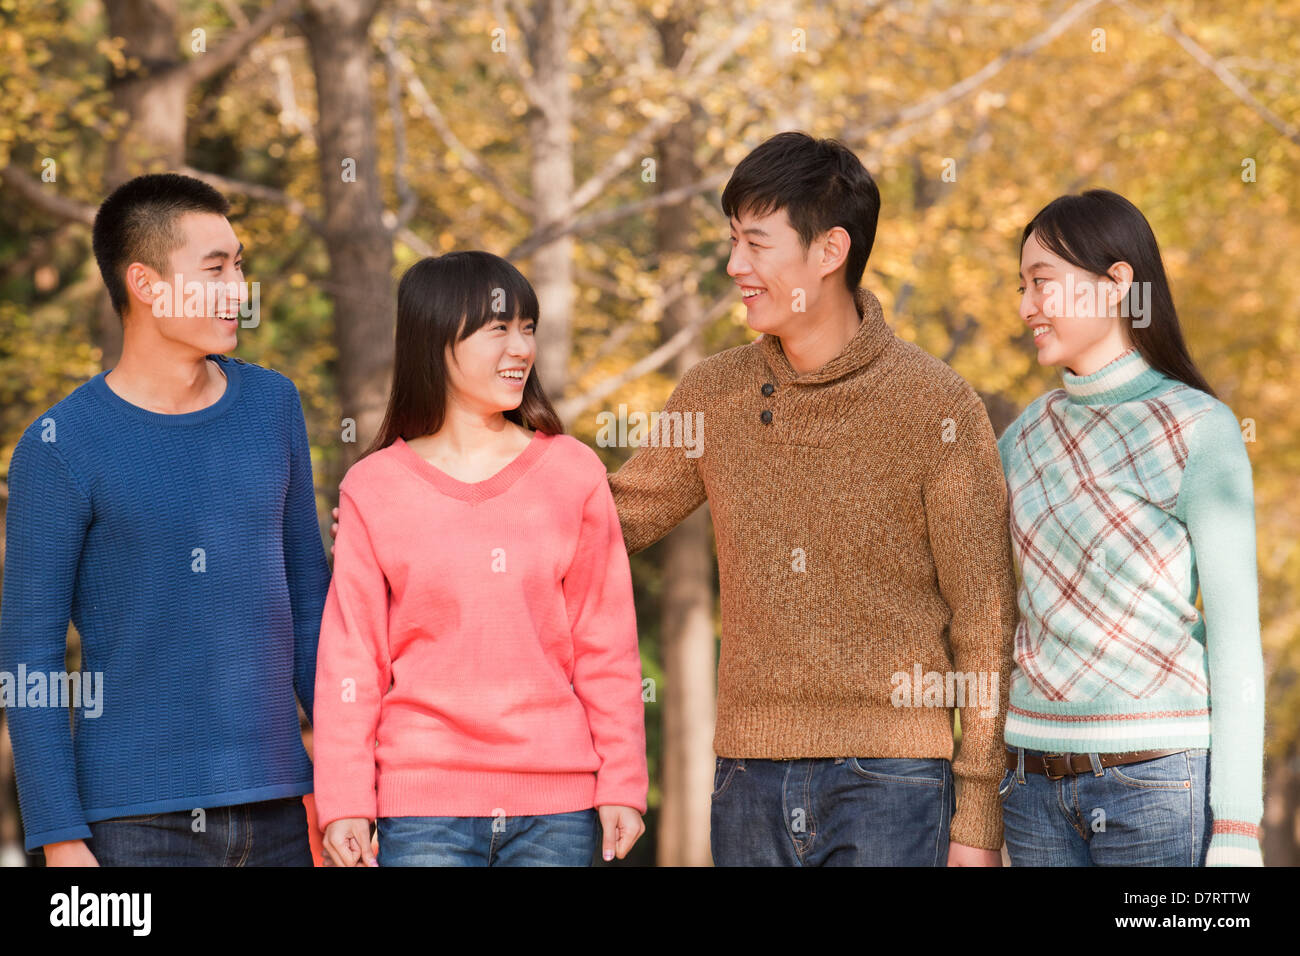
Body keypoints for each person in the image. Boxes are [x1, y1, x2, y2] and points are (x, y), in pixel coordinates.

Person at [605, 132, 1018, 865]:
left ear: (829, 251)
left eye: (756, 244)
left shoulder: (936, 405)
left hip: (893, 779)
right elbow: (605, 518)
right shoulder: (713, 393)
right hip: (746, 780)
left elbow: (985, 618)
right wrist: (424, 508)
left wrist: (978, 814)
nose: (735, 266)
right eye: (732, 241)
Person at [0, 172, 330, 866]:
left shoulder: (274, 406)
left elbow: (310, 610)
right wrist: (60, 840)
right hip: (131, 827)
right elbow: (29, 661)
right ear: (147, 284)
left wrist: (352, 780)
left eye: (239, 265)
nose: (239, 288)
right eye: (216, 268)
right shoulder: (59, 446)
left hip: (281, 808)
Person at [313, 251, 647, 867]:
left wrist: (622, 780)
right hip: (421, 808)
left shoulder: (572, 472)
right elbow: (351, 657)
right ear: (435, 338)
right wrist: (344, 799)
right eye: (498, 329)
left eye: (527, 328)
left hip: (557, 806)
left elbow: (606, 643)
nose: (520, 348)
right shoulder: (374, 487)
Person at [996, 189, 1265, 866]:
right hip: (1030, 786)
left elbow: (1235, 639)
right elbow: (992, 613)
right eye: (1021, 286)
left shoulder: (1199, 429)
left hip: (1157, 783)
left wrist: (1238, 825)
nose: (1026, 306)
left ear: (1117, 284)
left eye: (1042, 283)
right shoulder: (1023, 436)